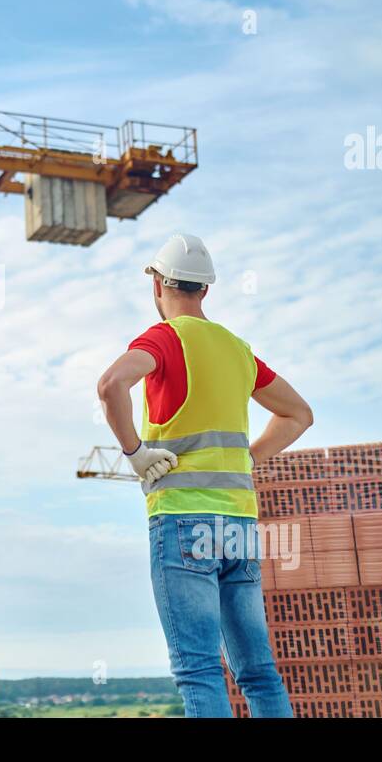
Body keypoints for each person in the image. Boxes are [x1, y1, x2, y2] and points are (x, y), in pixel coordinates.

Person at [96, 234, 313, 717]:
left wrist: (134, 451)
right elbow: (299, 415)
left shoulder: (164, 339)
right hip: (239, 528)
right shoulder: (237, 350)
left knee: (199, 670)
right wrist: (248, 458)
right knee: (258, 671)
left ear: (157, 285)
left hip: (183, 523)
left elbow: (111, 384)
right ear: (205, 291)